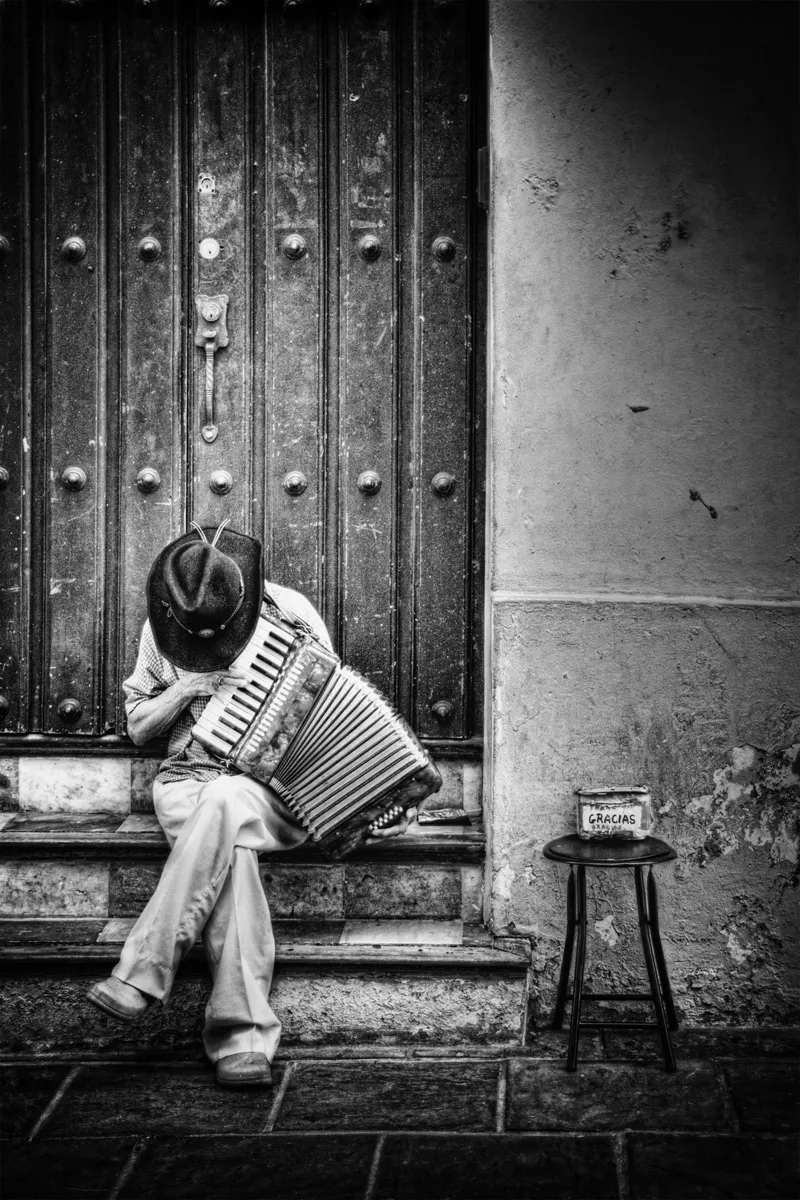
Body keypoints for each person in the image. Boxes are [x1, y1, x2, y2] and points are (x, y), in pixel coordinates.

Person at [87, 520, 410, 1088]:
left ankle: (142, 973)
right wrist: (186, 688)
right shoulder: (164, 627)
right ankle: (242, 1040)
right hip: (189, 778)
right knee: (225, 826)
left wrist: (374, 795)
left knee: (230, 800)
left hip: (277, 793)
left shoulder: (292, 614)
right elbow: (139, 727)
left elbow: (332, 713)